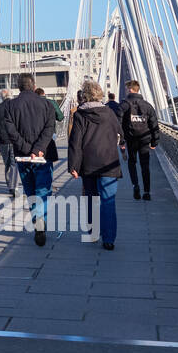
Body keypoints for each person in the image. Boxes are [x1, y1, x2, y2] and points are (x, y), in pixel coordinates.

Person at [0, 74, 56, 246]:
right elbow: (49, 128)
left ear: (18, 87)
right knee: (43, 190)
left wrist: (25, 148)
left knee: (30, 190)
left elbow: (10, 130)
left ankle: (37, 221)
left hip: (22, 156)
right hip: (42, 155)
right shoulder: (47, 104)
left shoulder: (10, 106)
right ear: (33, 85)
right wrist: (37, 149)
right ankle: (40, 222)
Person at [67, 80, 123, 251]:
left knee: (91, 198)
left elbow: (75, 143)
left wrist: (73, 166)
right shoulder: (109, 113)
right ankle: (109, 239)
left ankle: (92, 232)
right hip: (109, 163)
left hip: (88, 163)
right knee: (108, 200)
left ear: (84, 96)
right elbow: (120, 133)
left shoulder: (80, 115)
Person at [120, 80, 160, 201]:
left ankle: (135, 185)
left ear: (130, 90)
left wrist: (121, 140)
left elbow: (118, 123)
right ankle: (147, 192)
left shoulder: (124, 105)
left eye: (127, 89)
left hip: (131, 139)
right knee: (145, 165)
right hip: (144, 139)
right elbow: (154, 125)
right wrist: (154, 142)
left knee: (132, 163)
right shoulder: (147, 106)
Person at [0, 89, 19, 196]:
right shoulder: (16, 106)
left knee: (7, 163)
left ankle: (9, 185)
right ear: (11, 95)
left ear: (1, 97)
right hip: (15, 139)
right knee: (14, 163)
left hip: (3, 140)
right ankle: (13, 186)